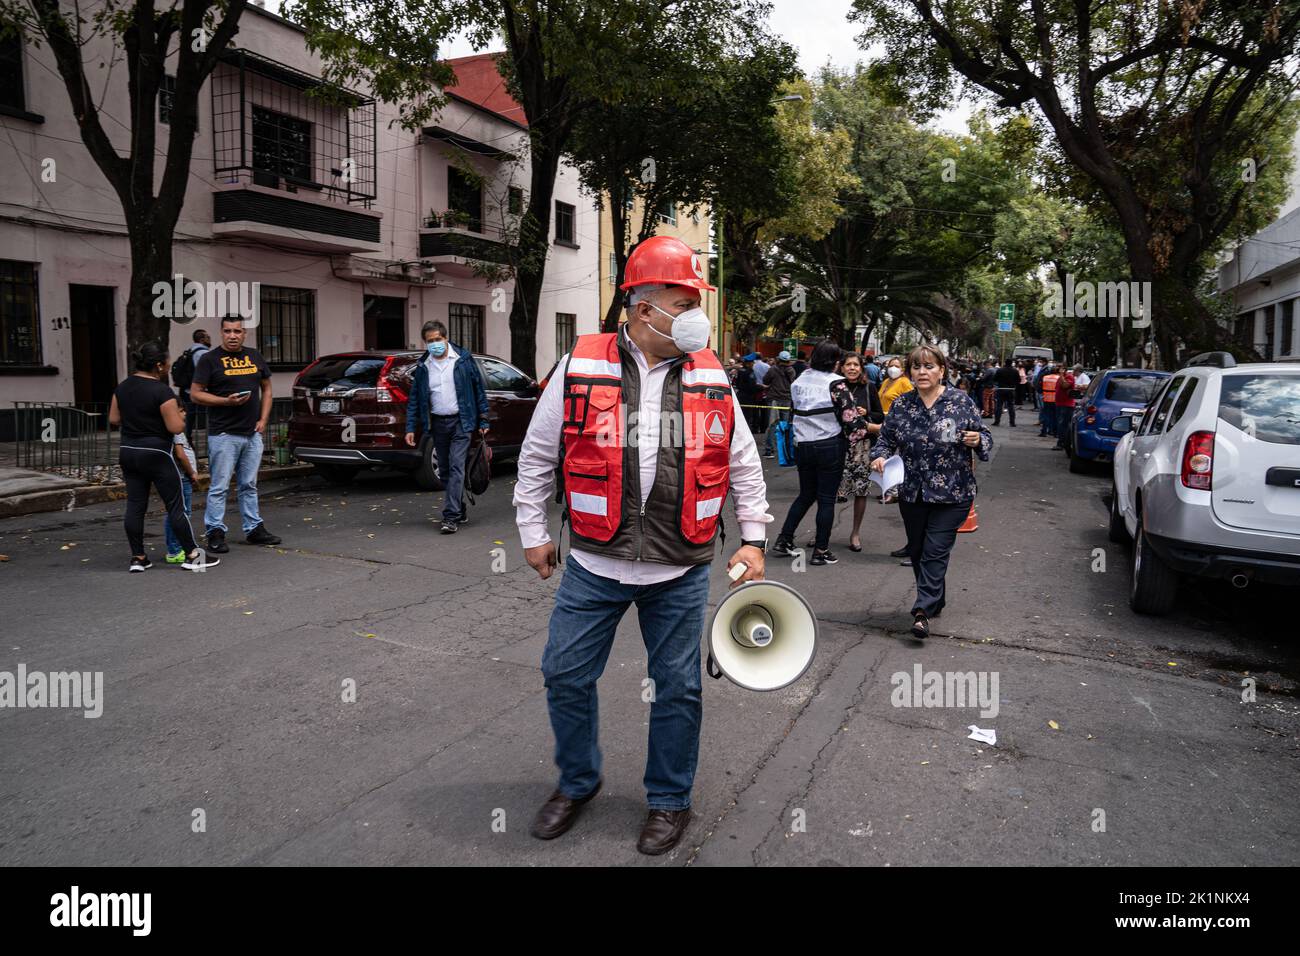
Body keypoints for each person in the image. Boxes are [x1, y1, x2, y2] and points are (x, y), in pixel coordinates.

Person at [513, 235, 771, 856]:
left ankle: (669, 801)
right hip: (592, 563)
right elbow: (539, 452)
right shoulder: (582, 362)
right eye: (682, 301)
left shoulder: (711, 373)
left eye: (694, 302)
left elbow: (743, 461)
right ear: (641, 305)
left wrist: (755, 538)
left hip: (679, 566)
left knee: (677, 687)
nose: (694, 315)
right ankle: (577, 782)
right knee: (564, 673)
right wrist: (532, 531)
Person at [871, 345, 991, 639]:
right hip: (912, 493)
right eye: (916, 367)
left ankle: (922, 611)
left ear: (942, 371)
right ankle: (936, 599)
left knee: (935, 551)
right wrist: (879, 456)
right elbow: (885, 439)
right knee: (917, 550)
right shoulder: (902, 405)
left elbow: (985, 435)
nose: (921, 372)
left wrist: (977, 440)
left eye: (928, 367)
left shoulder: (960, 401)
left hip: (953, 493)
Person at [109, 342, 218, 573]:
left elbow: (114, 419)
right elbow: (175, 427)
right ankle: (193, 555)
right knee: (176, 506)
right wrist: (179, 418)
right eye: (167, 362)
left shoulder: (122, 387)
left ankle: (138, 558)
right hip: (157, 453)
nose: (169, 366)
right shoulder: (162, 391)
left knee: (135, 506)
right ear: (159, 365)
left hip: (128, 452)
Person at [770, 341, 870, 566]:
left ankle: (784, 539)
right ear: (835, 362)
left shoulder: (799, 380)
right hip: (829, 445)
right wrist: (860, 433)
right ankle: (821, 551)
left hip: (803, 445)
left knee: (806, 494)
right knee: (826, 499)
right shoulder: (836, 384)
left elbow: (795, 410)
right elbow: (853, 423)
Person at [191, 316, 281, 553]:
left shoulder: (255, 356)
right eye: (228, 331)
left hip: (252, 434)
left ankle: (253, 529)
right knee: (219, 486)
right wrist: (224, 401)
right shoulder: (209, 360)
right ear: (221, 333)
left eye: (237, 331)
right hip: (223, 434)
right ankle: (215, 532)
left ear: (245, 334)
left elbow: (267, 388)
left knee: (249, 484)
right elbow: (196, 394)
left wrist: (263, 419)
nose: (233, 335)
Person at [404, 320, 490, 533]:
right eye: (430, 341)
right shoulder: (424, 367)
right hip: (437, 423)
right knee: (444, 471)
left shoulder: (463, 360)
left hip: (462, 421)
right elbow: (415, 398)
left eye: (437, 339)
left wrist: (483, 419)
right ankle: (458, 508)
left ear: (445, 338)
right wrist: (410, 428)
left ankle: (450, 517)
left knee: (456, 465)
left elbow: (478, 389)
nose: (434, 344)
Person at [836, 353, 885, 552]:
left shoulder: (869, 387)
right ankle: (822, 532)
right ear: (842, 368)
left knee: (861, 490)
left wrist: (867, 413)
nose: (852, 368)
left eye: (856, 364)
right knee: (829, 491)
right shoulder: (836, 387)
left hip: (862, 447)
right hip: (838, 444)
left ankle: (855, 533)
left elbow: (880, 415)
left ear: (861, 368)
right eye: (848, 364)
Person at [163, 408, 199, 564]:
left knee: (179, 512)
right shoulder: (175, 430)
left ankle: (177, 547)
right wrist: (191, 472)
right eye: (181, 410)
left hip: (181, 476)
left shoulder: (176, 429)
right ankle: (175, 550)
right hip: (182, 476)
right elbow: (180, 454)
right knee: (180, 513)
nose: (185, 413)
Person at [170, 328, 210, 443]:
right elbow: (205, 373)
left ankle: (185, 441)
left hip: (186, 390)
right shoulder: (203, 353)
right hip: (200, 391)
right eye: (207, 337)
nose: (209, 339)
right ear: (202, 339)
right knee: (209, 415)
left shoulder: (189, 351)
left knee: (188, 417)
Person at [762, 350, 796, 459]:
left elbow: (765, 381)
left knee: (772, 425)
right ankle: (785, 450)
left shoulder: (773, 370)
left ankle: (769, 450)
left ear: (778, 359)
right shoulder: (791, 371)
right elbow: (793, 384)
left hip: (774, 399)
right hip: (786, 399)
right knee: (785, 425)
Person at [734, 355, 763, 433]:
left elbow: (736, 383)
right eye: (752, 363)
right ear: (748, 364)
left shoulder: (740, 371)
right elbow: (752, 386)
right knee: (748, 416)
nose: (753, 364)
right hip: (748, 397)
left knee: (741, 416)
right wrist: (762, 388)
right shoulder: (749, 372)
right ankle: (746, 433)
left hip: (740, 396)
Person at [1054, 364, 1080, 449]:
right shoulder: (1061, 377)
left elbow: (1065, 385)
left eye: (1059, 368)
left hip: (1066, 405)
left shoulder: (1069, 377)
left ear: (1064, 369)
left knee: (1063, 424)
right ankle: (1062, 442)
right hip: (1060, 404)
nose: (1057, 369)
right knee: (1060, 424)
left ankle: (1062, 443)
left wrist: (1061, 375)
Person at [993, 358, 1019, 426]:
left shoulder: (1000, 370)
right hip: (1011, 389)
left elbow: (995, 379)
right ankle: (1012, 422)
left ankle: (997, 421)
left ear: (1005, 362)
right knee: (1011, 406)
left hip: (1001, 389)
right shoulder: (1015, 371)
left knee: (999, 406)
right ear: (1011, 363)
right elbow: (1018, 380)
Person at [1039, 363, 1060, 438]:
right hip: (1056, 399)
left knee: (1046, 415)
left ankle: (1044, 432)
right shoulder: (1059, 378)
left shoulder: (1045, 377)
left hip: (1046, 398)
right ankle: (1055, 433)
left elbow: (1040, 386)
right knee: (1055, 416)